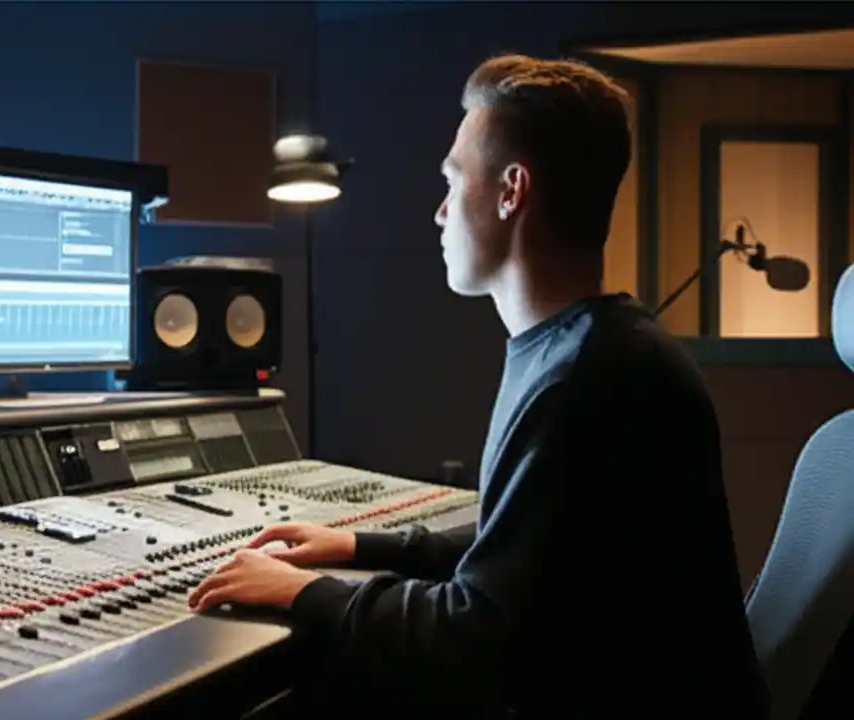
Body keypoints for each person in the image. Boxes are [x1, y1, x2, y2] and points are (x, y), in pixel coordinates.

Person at [188, 54, 769, 718]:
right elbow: (530, 550)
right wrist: (360, 546)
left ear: (511, 189)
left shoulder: (588, 381)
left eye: (453, 178)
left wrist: (304, 592)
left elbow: (478, 635)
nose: (438, 212)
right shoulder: (598, 345)